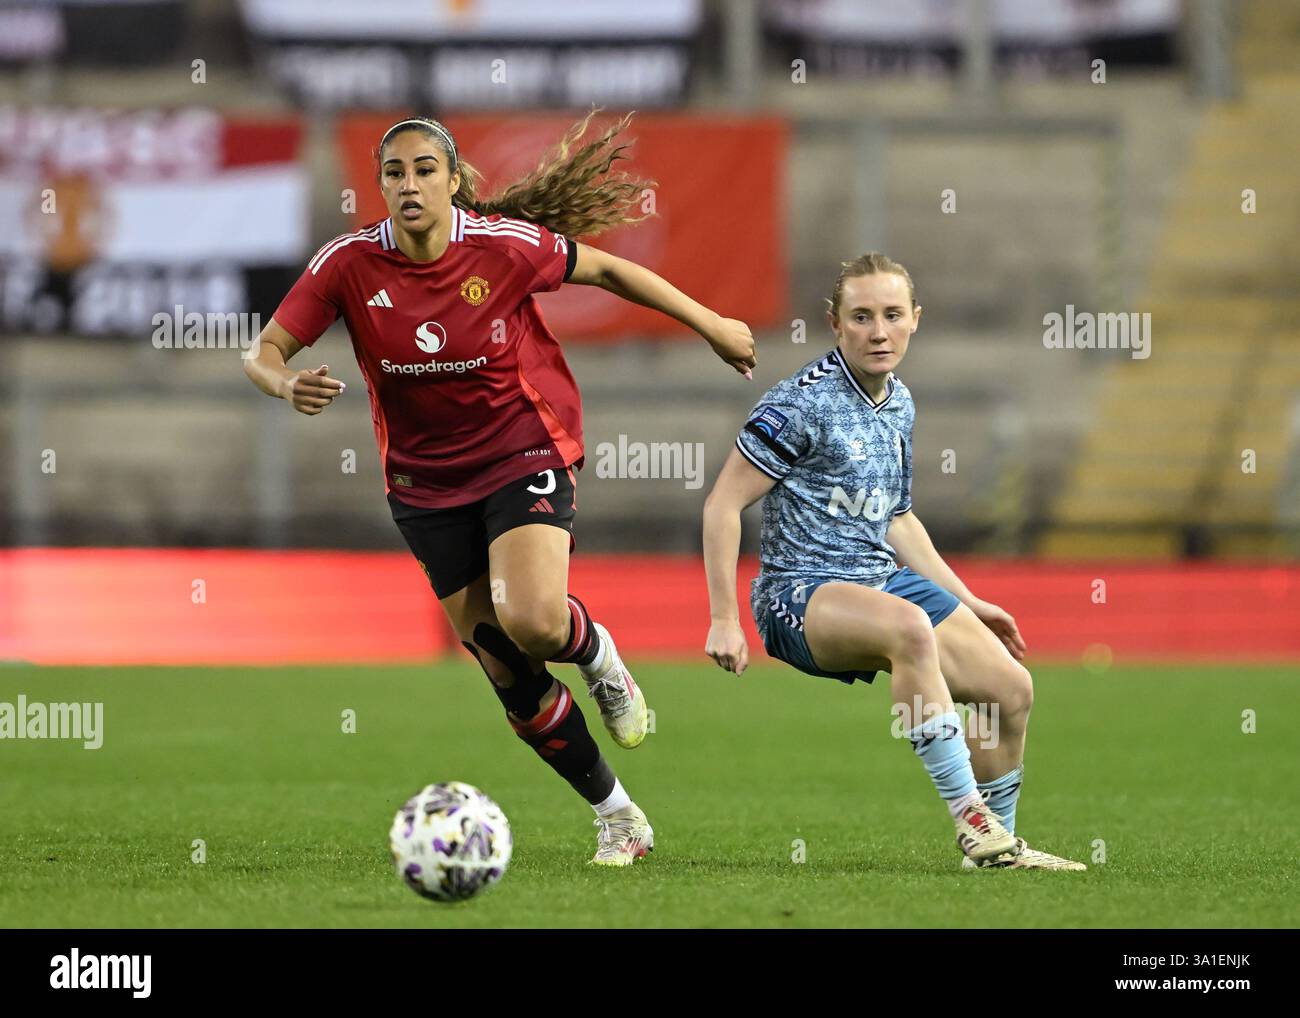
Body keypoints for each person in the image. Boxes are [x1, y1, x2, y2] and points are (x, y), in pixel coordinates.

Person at [244, 111, 756, 866]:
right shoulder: (347, 265)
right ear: (380, 185)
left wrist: (709, 322)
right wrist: (285, 384)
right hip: (424, 483)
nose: (409, 184)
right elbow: (262, 350)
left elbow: (611, 269)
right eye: (394, 173)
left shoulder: (504, 248)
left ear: (454, 180)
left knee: (536, 621)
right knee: (505, 668)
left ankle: (598, 655)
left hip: (523, 448)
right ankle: (619, 818)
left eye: (425, 169)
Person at [702, 252, 1084, 870]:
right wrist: (724, 618)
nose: (878, 331)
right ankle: (972, 823)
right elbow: (722, 506)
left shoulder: (900, 402)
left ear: (915, 321)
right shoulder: (800, 403)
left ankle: (996, 850)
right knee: (908, 628)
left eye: (891, 315)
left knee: (1008, 690)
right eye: (861, 317)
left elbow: (898, 517)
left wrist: (971, 601)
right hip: (798, 595)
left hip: (881, 580)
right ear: (835, 324)